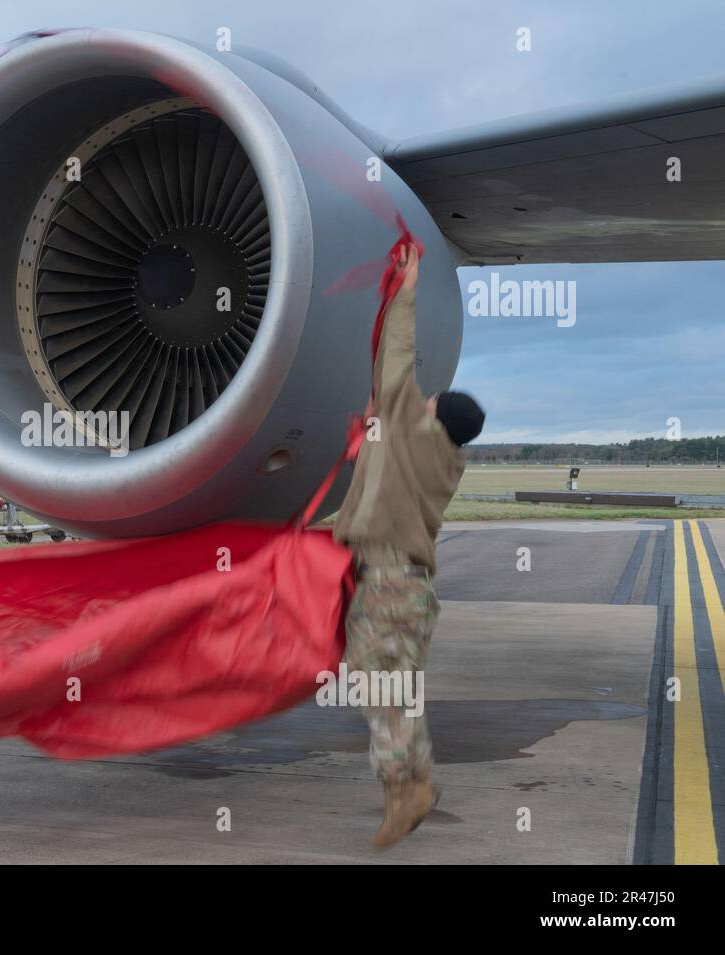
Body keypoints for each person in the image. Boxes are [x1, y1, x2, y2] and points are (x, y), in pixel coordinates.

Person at [332, 243, 485, 848]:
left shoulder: (415, 429)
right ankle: (409, 785)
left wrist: (407, 285)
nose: (420, 397)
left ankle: (405, 790)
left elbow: (394, 359)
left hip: (390, 585)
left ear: (434, 415)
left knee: (380, 689)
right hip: (410, 588)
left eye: (427, 401)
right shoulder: (445, 460)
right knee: (396, 689)